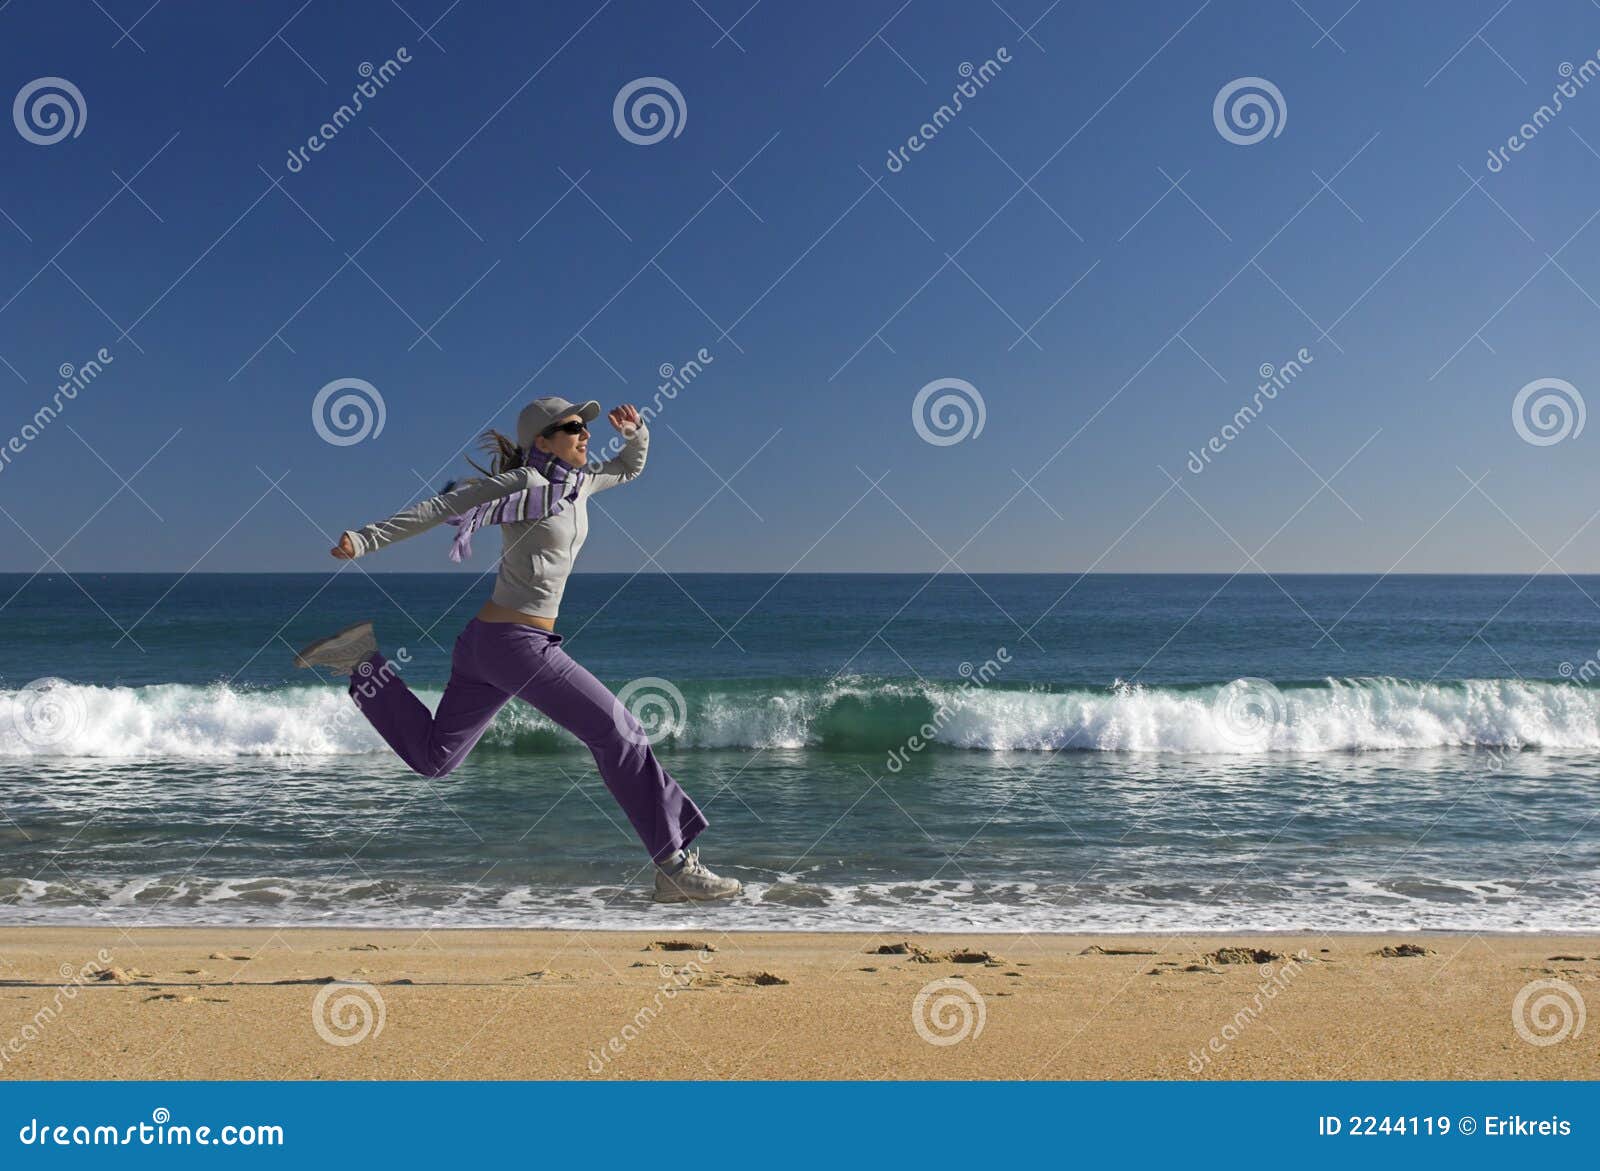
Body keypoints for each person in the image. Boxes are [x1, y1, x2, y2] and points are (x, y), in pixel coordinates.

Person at [293, 396, 740, 902]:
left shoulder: (581, 483)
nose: (585, 433)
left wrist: (637, 433)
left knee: (435, 757)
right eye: (573, 426)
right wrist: (365, 539)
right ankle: (674, 867)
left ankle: (362, 662)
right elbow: (442, 507)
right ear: (542, 441)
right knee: (621, 731)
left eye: (586, 426)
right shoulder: (521, 483)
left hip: (487, 645)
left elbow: (628, 467)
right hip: (515, 644)